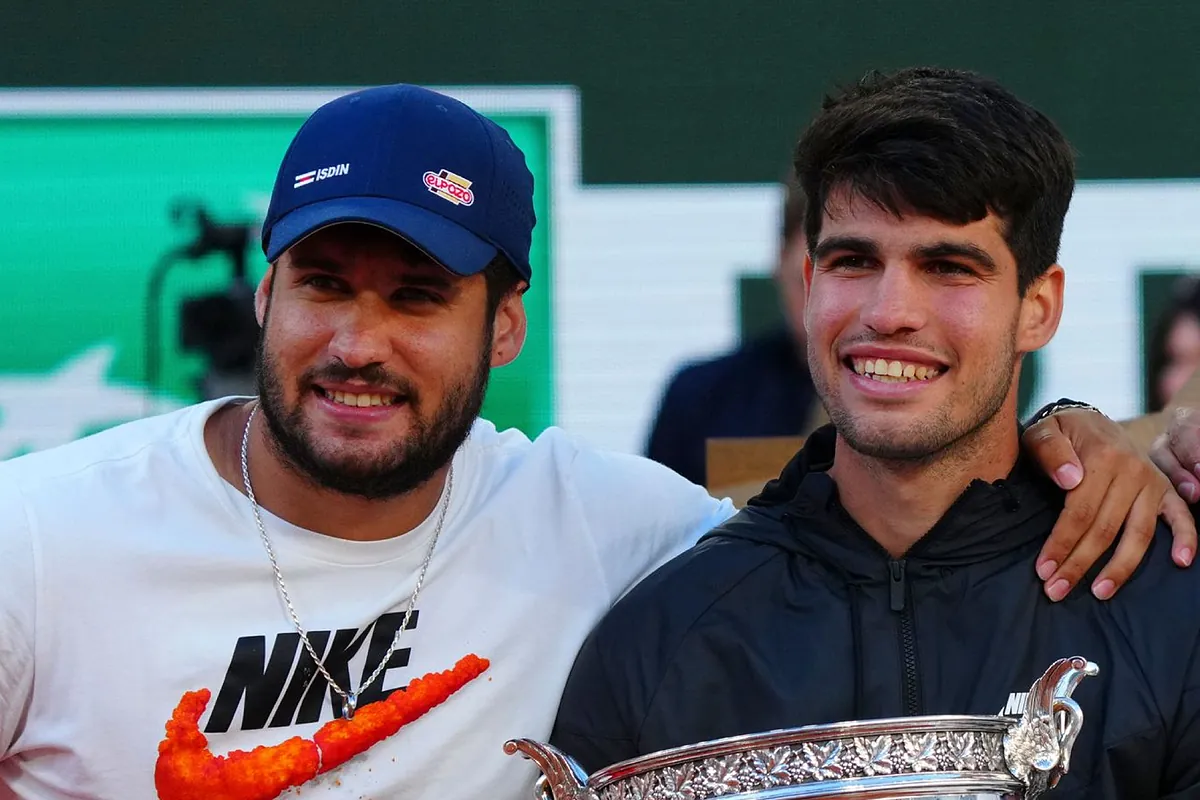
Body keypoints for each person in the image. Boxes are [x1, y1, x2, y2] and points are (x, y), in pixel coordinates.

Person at [0, 83, 1192, 800]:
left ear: (505, 324)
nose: (358, 340)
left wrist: (1092, 440)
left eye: (418, 295)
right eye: (323, 284)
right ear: (264, 296)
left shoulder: (613, 529)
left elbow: (872, 515)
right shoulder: (38, 537)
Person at [550, 68, 1200, 797]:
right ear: (808, 283)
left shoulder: (1173, 610)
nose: (890, 311)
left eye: (949, 266)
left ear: (1038, 307)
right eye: (854, 261)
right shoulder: (660, 634)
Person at [644, 176, 824, 487]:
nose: (826, 311)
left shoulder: (924, 400)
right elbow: (656, 529)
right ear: (779, 263)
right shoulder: (701, 398)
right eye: (808, 281)